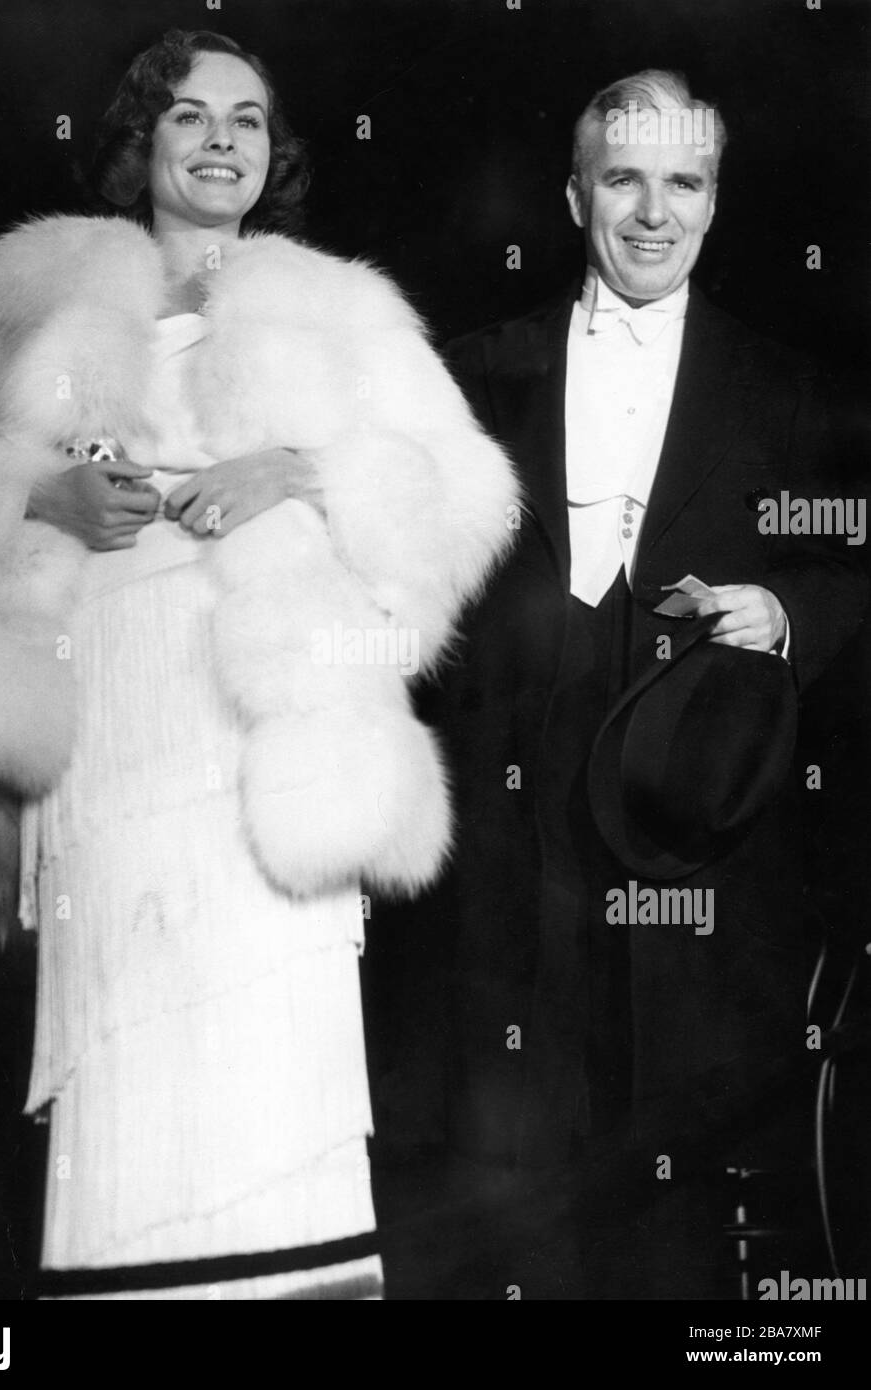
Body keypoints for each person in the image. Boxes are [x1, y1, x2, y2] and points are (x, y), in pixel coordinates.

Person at [0, 29, 517, 1299]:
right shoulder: (22, 301)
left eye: (246, 118)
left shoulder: (339, 306)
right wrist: (41, 500)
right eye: (188, 115)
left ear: (272, 154)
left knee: (269, 1077)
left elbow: (464, 503)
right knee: (129, 1066)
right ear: (137, 142)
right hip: (108, 721)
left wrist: (302, 470)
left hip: (268, 737)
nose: (220, 138)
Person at [437, 69, 867, 1298]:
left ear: (715, 201)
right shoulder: (472, 375)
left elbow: (858, 553)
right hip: (509, 866)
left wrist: (787, 609)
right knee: (503, 1202)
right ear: (575, 196)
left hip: (696, 863)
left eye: (683, 181)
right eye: (622, 177)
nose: (651, 210)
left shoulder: (791, 390)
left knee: (670, 1223)